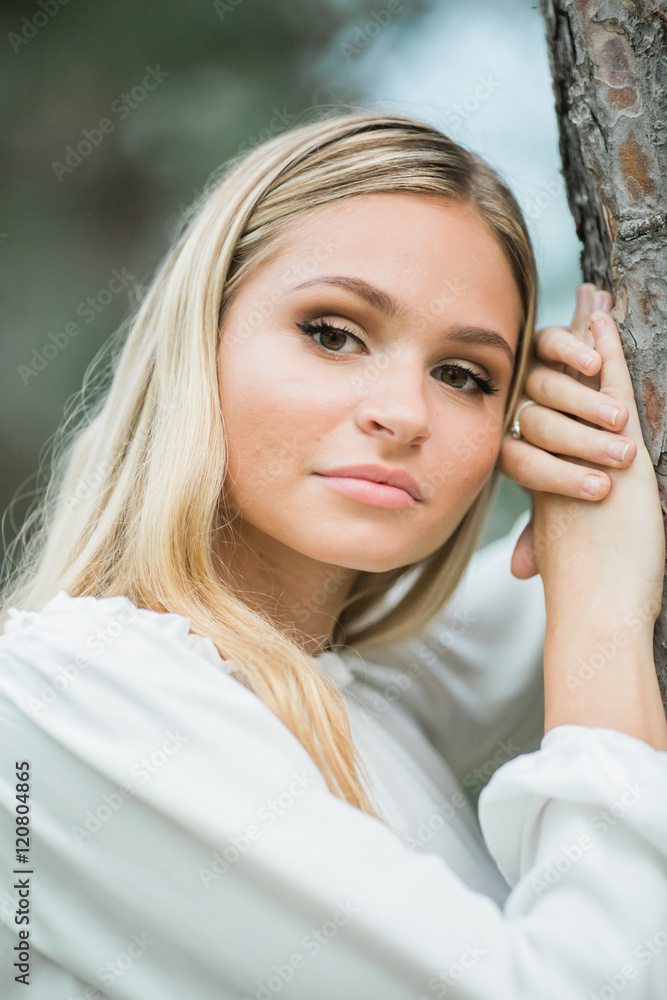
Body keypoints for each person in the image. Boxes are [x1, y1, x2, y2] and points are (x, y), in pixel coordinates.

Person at [0, 110, 665, 999]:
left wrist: (604, 464)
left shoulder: (357, 690)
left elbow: (553, 574)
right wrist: (602, 629)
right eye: (331, 331)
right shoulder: (65, 696)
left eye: (463, 376)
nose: (404, 412)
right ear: (202, 339)